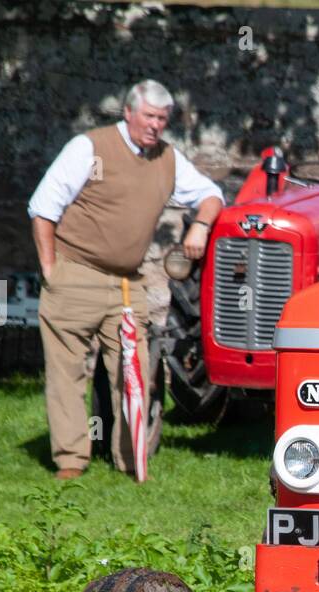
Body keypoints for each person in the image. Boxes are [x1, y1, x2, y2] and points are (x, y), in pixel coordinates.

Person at [28, 79, 224, 479]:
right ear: (129, 113)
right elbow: (43, 207)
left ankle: (130, 460)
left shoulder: (167, 158)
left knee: (133, 374)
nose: (155, 126)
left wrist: (200, 226)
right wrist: (50, 269)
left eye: (163, 119)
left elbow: (212, 194)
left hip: (127, 284)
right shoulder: (90, 147)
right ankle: (71, 461)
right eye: (149, 117)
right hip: (76, 273)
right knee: (67, 373)